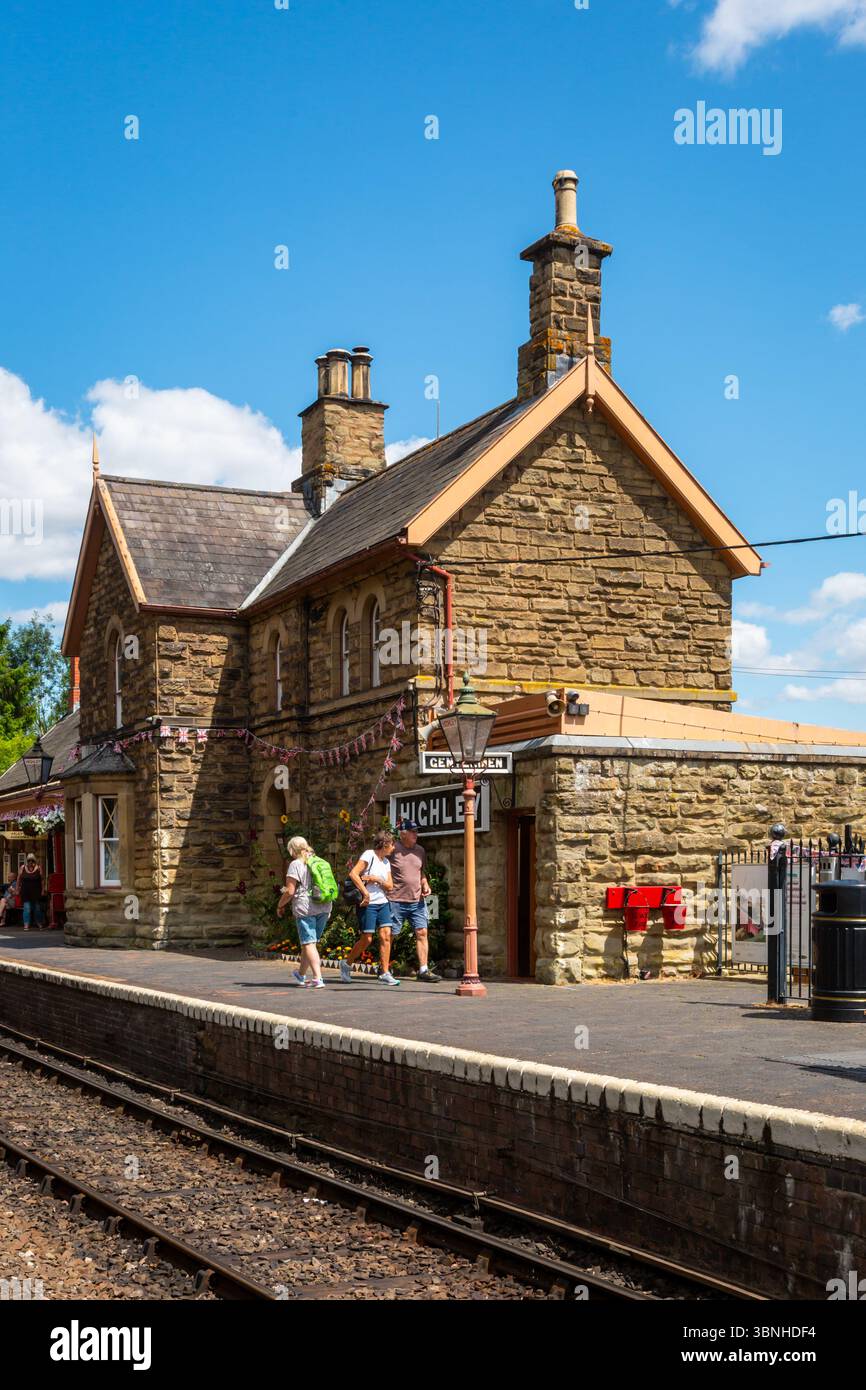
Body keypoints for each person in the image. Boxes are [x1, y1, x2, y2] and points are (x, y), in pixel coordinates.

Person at [345, 830, 400, 986]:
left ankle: (384, 972)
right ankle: (346, 964)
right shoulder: (369, 855)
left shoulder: (386, 862)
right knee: (367, 939)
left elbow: (390, 886)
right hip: (367, 904)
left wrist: (377, 879)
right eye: (392, 844)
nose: (394, 848)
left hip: (382, 902)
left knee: (386, 935)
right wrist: (365, 893)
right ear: (384, 844)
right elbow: (353, 874)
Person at [388, 821, 442, 982]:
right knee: (390, 935)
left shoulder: (420, 851)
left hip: (417, 900)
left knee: (422, 932)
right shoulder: (393, 849)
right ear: (402, 833)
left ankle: (423, 970)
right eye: (412, 832)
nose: (415, 835)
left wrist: (425, 884)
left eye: (416, 832)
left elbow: (421, 872)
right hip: (395, 899)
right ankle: (383, 967)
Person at [277, 836, 332, 988]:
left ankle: (318, 978)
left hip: (306, 908)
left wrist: (280, 905)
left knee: (309, 943)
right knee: (309, 944)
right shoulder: (318, 860)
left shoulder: (295, 864)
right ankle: (301, 974)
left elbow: (289, 891)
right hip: (324, 905)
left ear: (292, 850)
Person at [18, 855, 43, 931]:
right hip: (25, 891)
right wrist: (17, 889)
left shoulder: (38, 868)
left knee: (37, 908)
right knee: (27, 908)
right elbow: (18, 878)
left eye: (32, 861)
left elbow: (42, 880)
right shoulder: (22, 868)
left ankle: (39, 922)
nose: (30, 862)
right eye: (29, 861)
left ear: (34, 861)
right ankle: (26, 924)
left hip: (36, 891)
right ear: (27, 861)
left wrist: (42, 890)